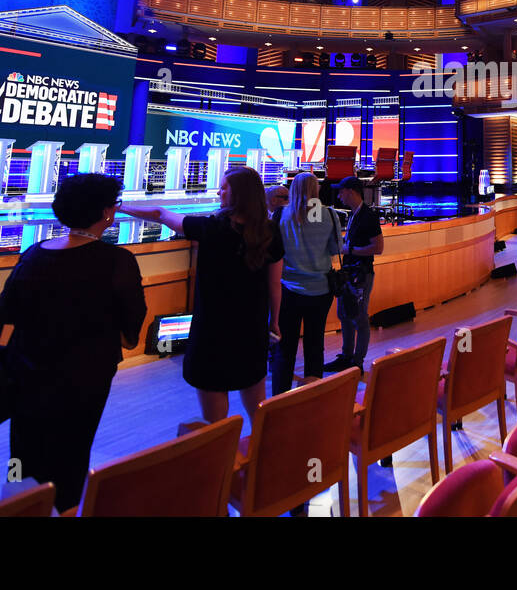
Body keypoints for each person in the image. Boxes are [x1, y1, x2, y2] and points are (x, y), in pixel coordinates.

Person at [0, 172, 146, 514]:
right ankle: (65, 508)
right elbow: (130, 323)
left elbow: (9, 311)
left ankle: (19, 503)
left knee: (21, 450)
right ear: (107, 213)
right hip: (85, 377)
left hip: (27, 370)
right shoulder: (117, 261)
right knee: (74, 448)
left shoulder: (33, 255)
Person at [120, 167, 283, 424]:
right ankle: (265, 459)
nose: (219, 191)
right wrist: (274, 323)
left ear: (238, 194)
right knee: (257, 405)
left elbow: (161, 214)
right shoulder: (270, 232)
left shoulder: (209, 228)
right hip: (251, 329)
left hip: (213, 331)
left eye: (224, 187)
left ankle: (221, 460)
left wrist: (120, 207)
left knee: (215, 420)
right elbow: (275, 285)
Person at [270, 172, 339, 395]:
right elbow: (334, 250)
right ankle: (313, 398)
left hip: (288, 290)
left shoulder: (281, 214)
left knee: (284, 349)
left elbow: (273, 252)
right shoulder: (328, 214)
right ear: (316, 189)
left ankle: (278, 403)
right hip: (320, 290)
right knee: (314, 345)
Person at [324, 176, 384, 375]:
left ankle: (357, 362)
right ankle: (347, 356)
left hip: (361, 275)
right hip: (351, 273)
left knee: (359, 317)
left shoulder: (368, 216)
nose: (339, 195)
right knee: (344, 315)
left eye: (341, 191)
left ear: (351, 191)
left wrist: (350, 250)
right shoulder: (354, 215)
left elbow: (378, 247)